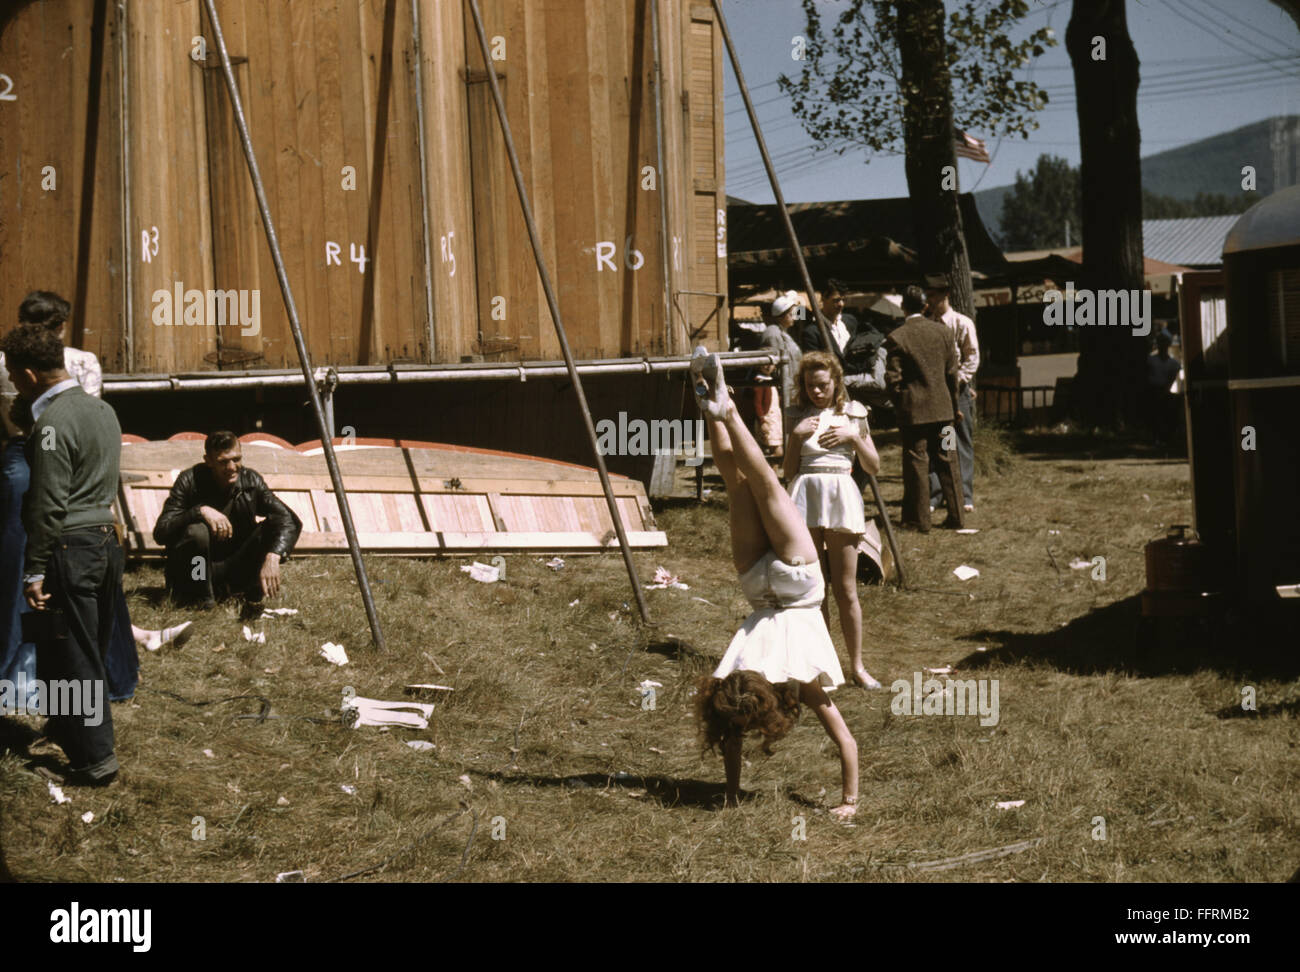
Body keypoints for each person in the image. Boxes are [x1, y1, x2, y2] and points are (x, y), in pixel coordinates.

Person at [689, 346, 860, 820]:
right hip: (770, 586)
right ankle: (716, 408)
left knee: (751, 483)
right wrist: (848, 804)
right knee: (748, 481)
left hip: (783, 586)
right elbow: (844, 740)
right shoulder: (766, 683)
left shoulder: (744, 688)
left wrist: (731, 791)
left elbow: (732, 737)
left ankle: (716, 408)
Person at [0, 293, 190, 709]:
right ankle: (114, 674)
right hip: (81, 470)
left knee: (26, 562)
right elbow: (89, 416)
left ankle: (32, 683)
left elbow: (23, 426)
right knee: (95, 582)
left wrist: (34, 569)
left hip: (30, 454)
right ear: (62, 326)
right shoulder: (84, 371)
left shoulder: (11, 368)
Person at [3, 324, 123, 785]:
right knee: (61, 646)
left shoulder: (52, 423)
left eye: (14, 375)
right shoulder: (102, 410)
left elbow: (50, 502)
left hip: (68, 548)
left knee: (75, 657)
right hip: (103, 542)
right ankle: (64, 728)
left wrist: (34, 569)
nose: (13, 382)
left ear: (30, 375)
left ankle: (96, 762)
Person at [783, 351, 883, 690]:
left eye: (822, 385)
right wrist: (795, 436)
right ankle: (822, 665)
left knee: (845, 588)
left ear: (836, 382)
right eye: (810, 385)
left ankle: (857, 666)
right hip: (806, 496)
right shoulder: (797, 415)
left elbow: (873, 466)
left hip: (841, 494)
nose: (816, 392)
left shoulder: (853, 414)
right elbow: (787, 470)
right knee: (814, 587)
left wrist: (853, 437)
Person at [153, 431, 302, 611]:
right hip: (198, 570)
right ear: (208, 461)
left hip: (234, 563)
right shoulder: (189, 480)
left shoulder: (251, 480)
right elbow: (161, 531)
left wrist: (274, 555)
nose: (232, 467)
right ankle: (200, 598)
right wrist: (199, 512)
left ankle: (245, 591)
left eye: (237, 459)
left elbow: (289, 519)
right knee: (197, 533)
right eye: (223, 462)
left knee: (271, 527)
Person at [886, 286, 964, 532]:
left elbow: (892, 380)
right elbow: (953, 375)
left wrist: (902, 403)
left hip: (914, 415)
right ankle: (957, 517)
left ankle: (920, 520)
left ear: (903, 307)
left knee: (917, 464)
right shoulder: (943, 333)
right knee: (949, 461)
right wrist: (954, 406)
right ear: (925, 306)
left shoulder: (897, 337)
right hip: (945, 413)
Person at [923, 275, 979, 514]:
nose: (930, 300)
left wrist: (961, 380)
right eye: (928, 296)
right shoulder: (928, 323)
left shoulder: (961, 323)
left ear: (945, 295)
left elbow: (972, 356)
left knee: (962, 441)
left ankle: (964, 494)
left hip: (958, 390)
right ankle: (937, 493)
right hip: (936, 391)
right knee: (939, 441)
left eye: (933, 296)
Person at [759, 291, 805, 412]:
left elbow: (803, 318)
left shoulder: (787, 333)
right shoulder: (773, 333)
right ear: (781, 316)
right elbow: (771, 367)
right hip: (784, 391)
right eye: (791, 314)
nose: (794, 317)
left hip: (793, 389)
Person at [1145, 328, 1182, 445]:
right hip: (1152, 390)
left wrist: (1165, 390)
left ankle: (1167, 436)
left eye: (1165, 342)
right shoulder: (1150, 360)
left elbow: (1171, 380)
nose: (1162, 345)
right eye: (1160, 342)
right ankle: (1155, 436)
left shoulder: (1173, 363)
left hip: (1166, 391)